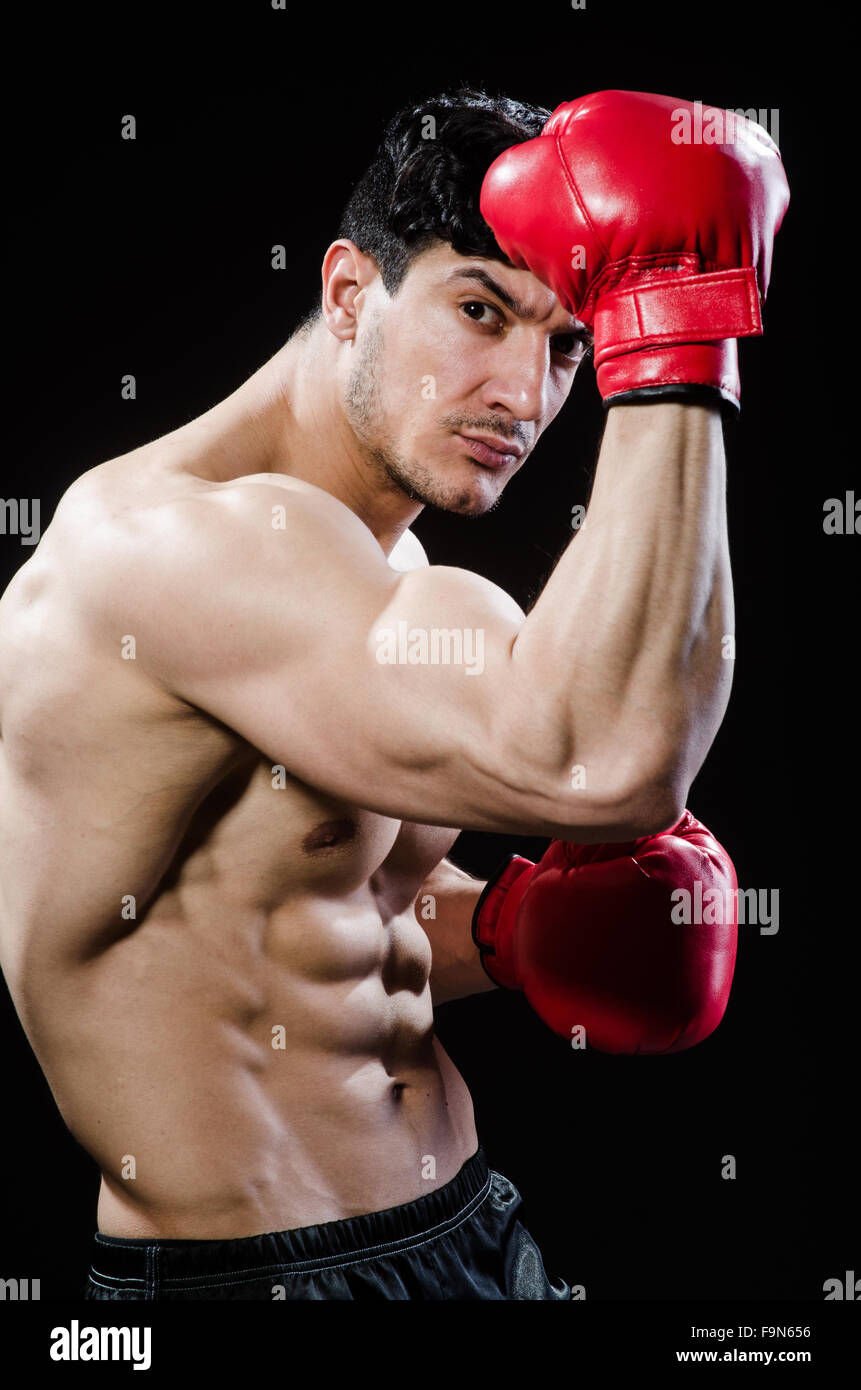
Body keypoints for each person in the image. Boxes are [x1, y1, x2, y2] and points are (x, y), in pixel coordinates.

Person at [0, 87, 788, 1300]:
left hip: (468, 1224)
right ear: (349, 290)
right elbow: (610, 761)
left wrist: (505, 932)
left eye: (570, 344)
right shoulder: (161, 552)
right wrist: (677, 324)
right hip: (248, 1283)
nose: (524, 396)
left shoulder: (383, 569)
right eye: (480, 311)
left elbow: (311, 902)